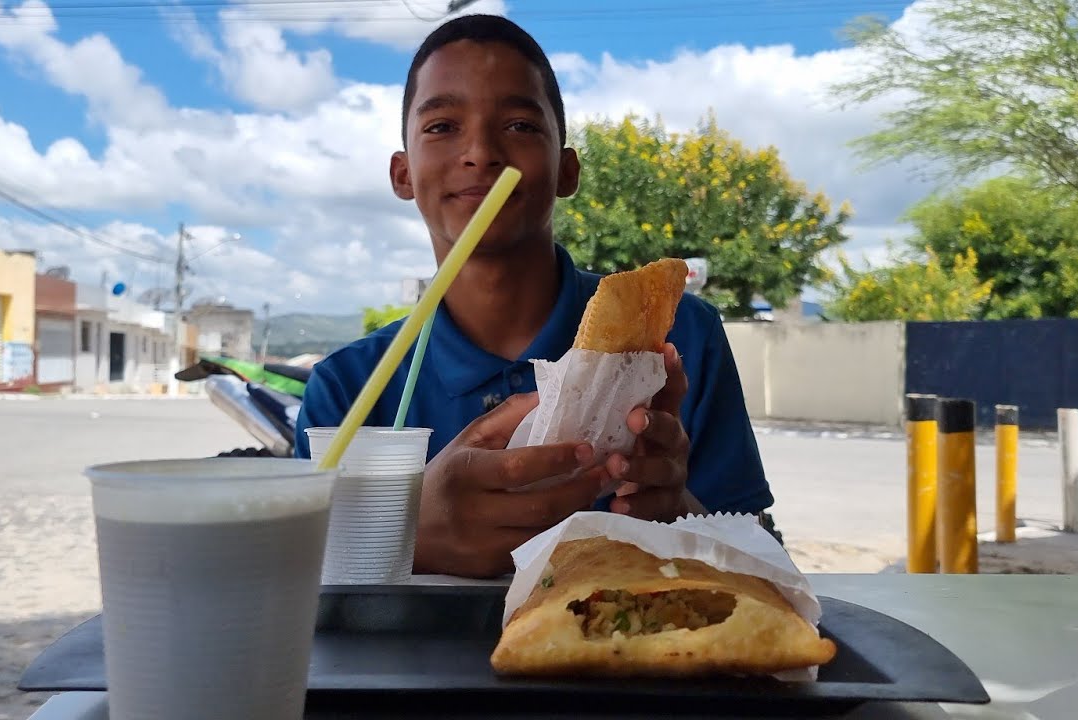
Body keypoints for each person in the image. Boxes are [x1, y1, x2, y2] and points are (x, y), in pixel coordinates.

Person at [295, 14, 772, 578]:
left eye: (520, 125)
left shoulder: (676, 335)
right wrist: (409, 535)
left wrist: (677, 515)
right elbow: (293, 582)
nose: (480, 152)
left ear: (566, 169)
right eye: (442, 126)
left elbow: (765, 562)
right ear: (402, 174)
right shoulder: (347, 389)